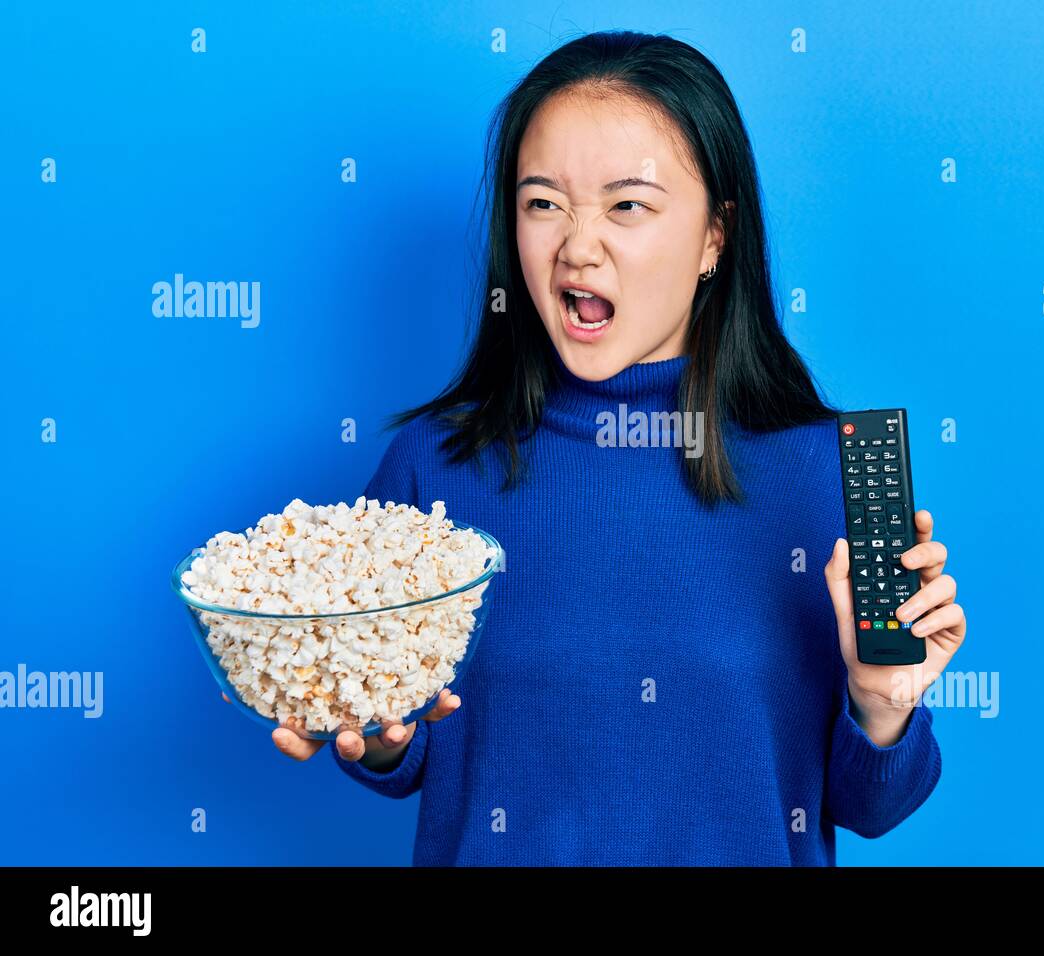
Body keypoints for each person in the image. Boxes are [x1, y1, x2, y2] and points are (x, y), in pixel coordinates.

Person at [253, 30, 966, 865]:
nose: (575, 246)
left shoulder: (818, 473)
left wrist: (882, 705)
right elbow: (402, 747)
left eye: (627, 205)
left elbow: (868, 809)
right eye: (541, 202)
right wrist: (370, 731)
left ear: (714, 237)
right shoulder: (433, 467)